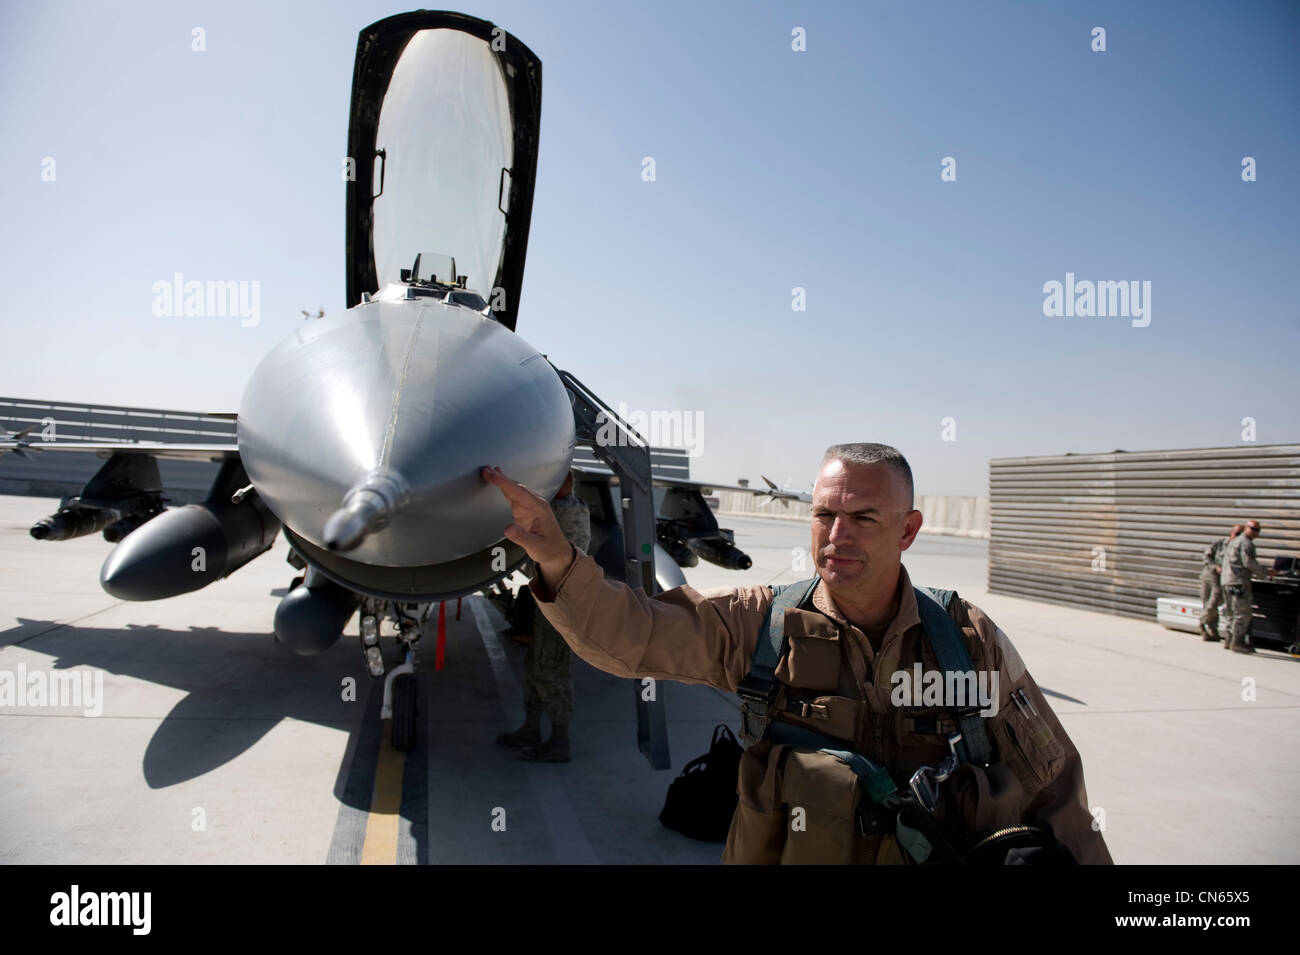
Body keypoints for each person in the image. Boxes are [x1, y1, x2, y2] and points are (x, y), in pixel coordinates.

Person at [480, 444, 1112, 864]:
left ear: (908, 531)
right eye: (824, 514)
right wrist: (557, 556)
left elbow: (1057, 791)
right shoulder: (763, 623)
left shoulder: (967, 642)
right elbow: (634, 636)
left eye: (863, 517)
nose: (836, 536)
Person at [496, 471, 590, 762]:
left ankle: (560, 741)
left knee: (552, 670)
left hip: (562, 604)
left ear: (565, 484)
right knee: (535, 665)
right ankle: (531, 728)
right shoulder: (570, 507)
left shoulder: (563, 511)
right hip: (548, 598)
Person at [1220, 519, 1276, 654]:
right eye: (1253, 529)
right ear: (1246, 528)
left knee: (1231, 610)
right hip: (1238, 582)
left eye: (1258, 530)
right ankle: (1237, 643)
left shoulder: (1234, 541)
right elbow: (1248, 562)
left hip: (1227, 581)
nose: (1256, 532)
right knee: (1242, 612)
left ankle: (1229, 639)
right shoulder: (1246, 543)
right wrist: (1266, 572)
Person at [1198, 526, 1238, 641]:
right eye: (1236, 533)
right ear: (1231, 533)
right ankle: (1209, 629)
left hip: (1224, 577)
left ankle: (1205, 623)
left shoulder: (1238, 547)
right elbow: (1206, 556)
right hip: (1210, 574)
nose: (1238, 536)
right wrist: (1215, 567)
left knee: (1215, 601)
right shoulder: (1220, 543)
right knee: (1208, 601)